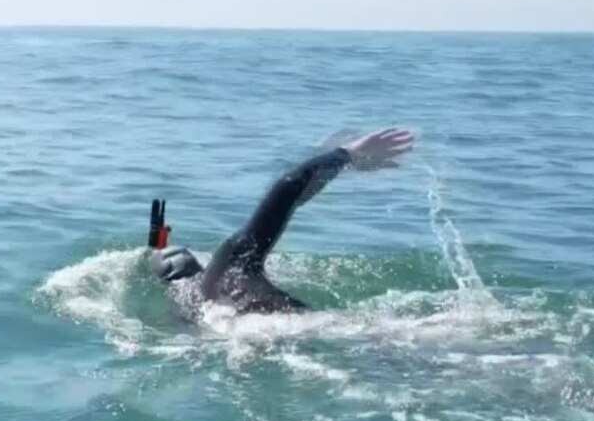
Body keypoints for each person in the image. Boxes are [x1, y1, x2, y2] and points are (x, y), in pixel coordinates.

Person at [148, 128, 415, 314]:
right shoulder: (231, 269)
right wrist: (346, 155)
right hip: (357, 333)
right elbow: (288, 189)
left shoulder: (190, 312)